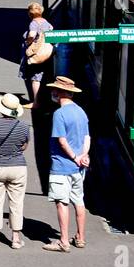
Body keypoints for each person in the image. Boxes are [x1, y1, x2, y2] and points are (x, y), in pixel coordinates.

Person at [43, 76, 90, 252]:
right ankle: (80, 237)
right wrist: (84, 155)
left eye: (54, 89)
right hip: (79, 168)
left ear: (60, 92)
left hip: (62, 165)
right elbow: (87, 137)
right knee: (79, 201)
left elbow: (62, 141)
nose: (52, 92)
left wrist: (74, 156)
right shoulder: (81, 112)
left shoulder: (59, 114)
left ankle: (63, 241)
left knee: (61, 202)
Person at [0, 93, 30, 248]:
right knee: (17, 203)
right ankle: (16, 239)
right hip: (18, 166)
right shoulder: (24, 126)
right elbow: (24, 146)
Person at [20, 1, 54, 107]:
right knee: (44, 76)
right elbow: (51, 30)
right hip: (46, 53)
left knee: (35, 78)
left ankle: (36, 102)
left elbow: (32, 34)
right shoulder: (46, 22)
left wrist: (28, 42)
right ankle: (46, 100)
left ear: (30, 13)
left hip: (37, 54)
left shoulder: (34, 23)